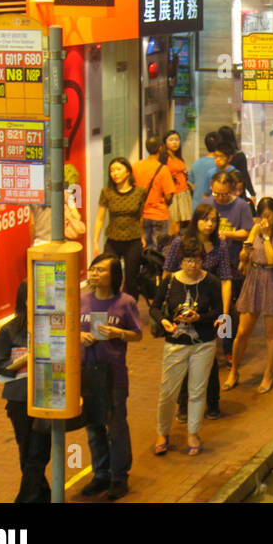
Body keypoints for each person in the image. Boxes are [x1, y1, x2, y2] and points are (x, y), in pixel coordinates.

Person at [79, 252, 142, 501]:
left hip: (113, 374)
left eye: (101, 270)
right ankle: (100, 474)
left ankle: (119, 476)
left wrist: (117, 332)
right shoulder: (82, 299)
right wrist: (78, 337)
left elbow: (137, 334)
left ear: (114, 275)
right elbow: (66, 329)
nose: (95, 274)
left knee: (115, 427)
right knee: (93, 427)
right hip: (86, 373)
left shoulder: (126, 302)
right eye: (93, 270)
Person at [151, 239, 223, 456]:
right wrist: (164, 321)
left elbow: (219, 311)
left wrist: (199, 317)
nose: (193, 265)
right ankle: (162, 432)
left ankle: (193, 433)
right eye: (188, 261)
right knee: (167, 392)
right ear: (180, 261)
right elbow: (155, 308)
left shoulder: (211, 281)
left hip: (204, 343)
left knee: (197, 390)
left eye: (197, 260)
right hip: (175, 343)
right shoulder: (171, 281)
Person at [165, 203, 233, 420]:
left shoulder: (220, 246)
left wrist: (224, 313)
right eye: (205, 219)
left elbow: (226, 279)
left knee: (212, 357)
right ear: (196, 220)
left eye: (213, 220)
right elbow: (167, 274)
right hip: (182, 309)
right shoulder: (180, 243)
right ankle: (183, 406)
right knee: (182, 358)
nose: (209, 224)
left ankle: (213, 404)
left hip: (210, 310)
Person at [224, 197, 273, 393]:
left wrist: (267, 237)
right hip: (253, 278)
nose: (265, 220)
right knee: (243, 332)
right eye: (261, 216)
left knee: (271, 333)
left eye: (268, 216)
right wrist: (245, 253)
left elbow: (272, 258)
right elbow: (244, 254)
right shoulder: (255, 229)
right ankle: (234, 370)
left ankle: (268, 374)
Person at [0, 280, 52, 502]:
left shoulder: (54, 326)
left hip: (47, 396)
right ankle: (42, 495)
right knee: (27, 450)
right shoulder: (9, 330)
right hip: (19, 398)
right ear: (24, 300)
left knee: (39, 452)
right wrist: (25, 360)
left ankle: (27, 498)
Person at [198, 172, 254, 364]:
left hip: (233, 262)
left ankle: (227, 346)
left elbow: (247, 232)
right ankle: (210, 343)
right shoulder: (206, 205)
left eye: (223, 194)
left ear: (231, 189)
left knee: (228, 308)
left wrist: (226, 235)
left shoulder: (240, 206)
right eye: (216, 194)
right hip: (207, 263)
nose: (220, 198)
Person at [94, 157, 149, 303]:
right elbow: (100, 218)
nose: (114, 173)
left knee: (132, 279)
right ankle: (111, 307)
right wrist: (95, 241)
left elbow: (140, 216)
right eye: (112, 170)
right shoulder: (107, 193)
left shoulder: (140, 192)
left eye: (118, 169)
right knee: (110, 276)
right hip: (113, 239)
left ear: (128, 172)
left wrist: (142, 235)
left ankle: (130, 309)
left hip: (133, 240)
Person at [133, 137, 177, 249]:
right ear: (160, 148)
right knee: (159, 249)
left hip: (141, 215)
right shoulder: (163, 169)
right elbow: (168, 195)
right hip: (159, 214)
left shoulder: (136, 166)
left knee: (143, 248)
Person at [217, 125, 257, 201]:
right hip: (237, 193)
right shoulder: (239, 155)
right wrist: (252, 193)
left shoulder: (218, 157)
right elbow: (245, 175)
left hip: (221, 192)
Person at [163, 130, 192, 235]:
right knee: (173, 227)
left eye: (176, 140)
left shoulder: (177, 157)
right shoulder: (164, 158)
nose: (174, 142)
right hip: (173, 194)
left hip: (183, 192)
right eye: (171, 140)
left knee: (179, 226)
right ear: (165, 143)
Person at [188, 131, 220, 198]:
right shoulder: (221, 165)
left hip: (197, 205)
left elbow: (191, 184)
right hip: (214, 206)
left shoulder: (196, 164)